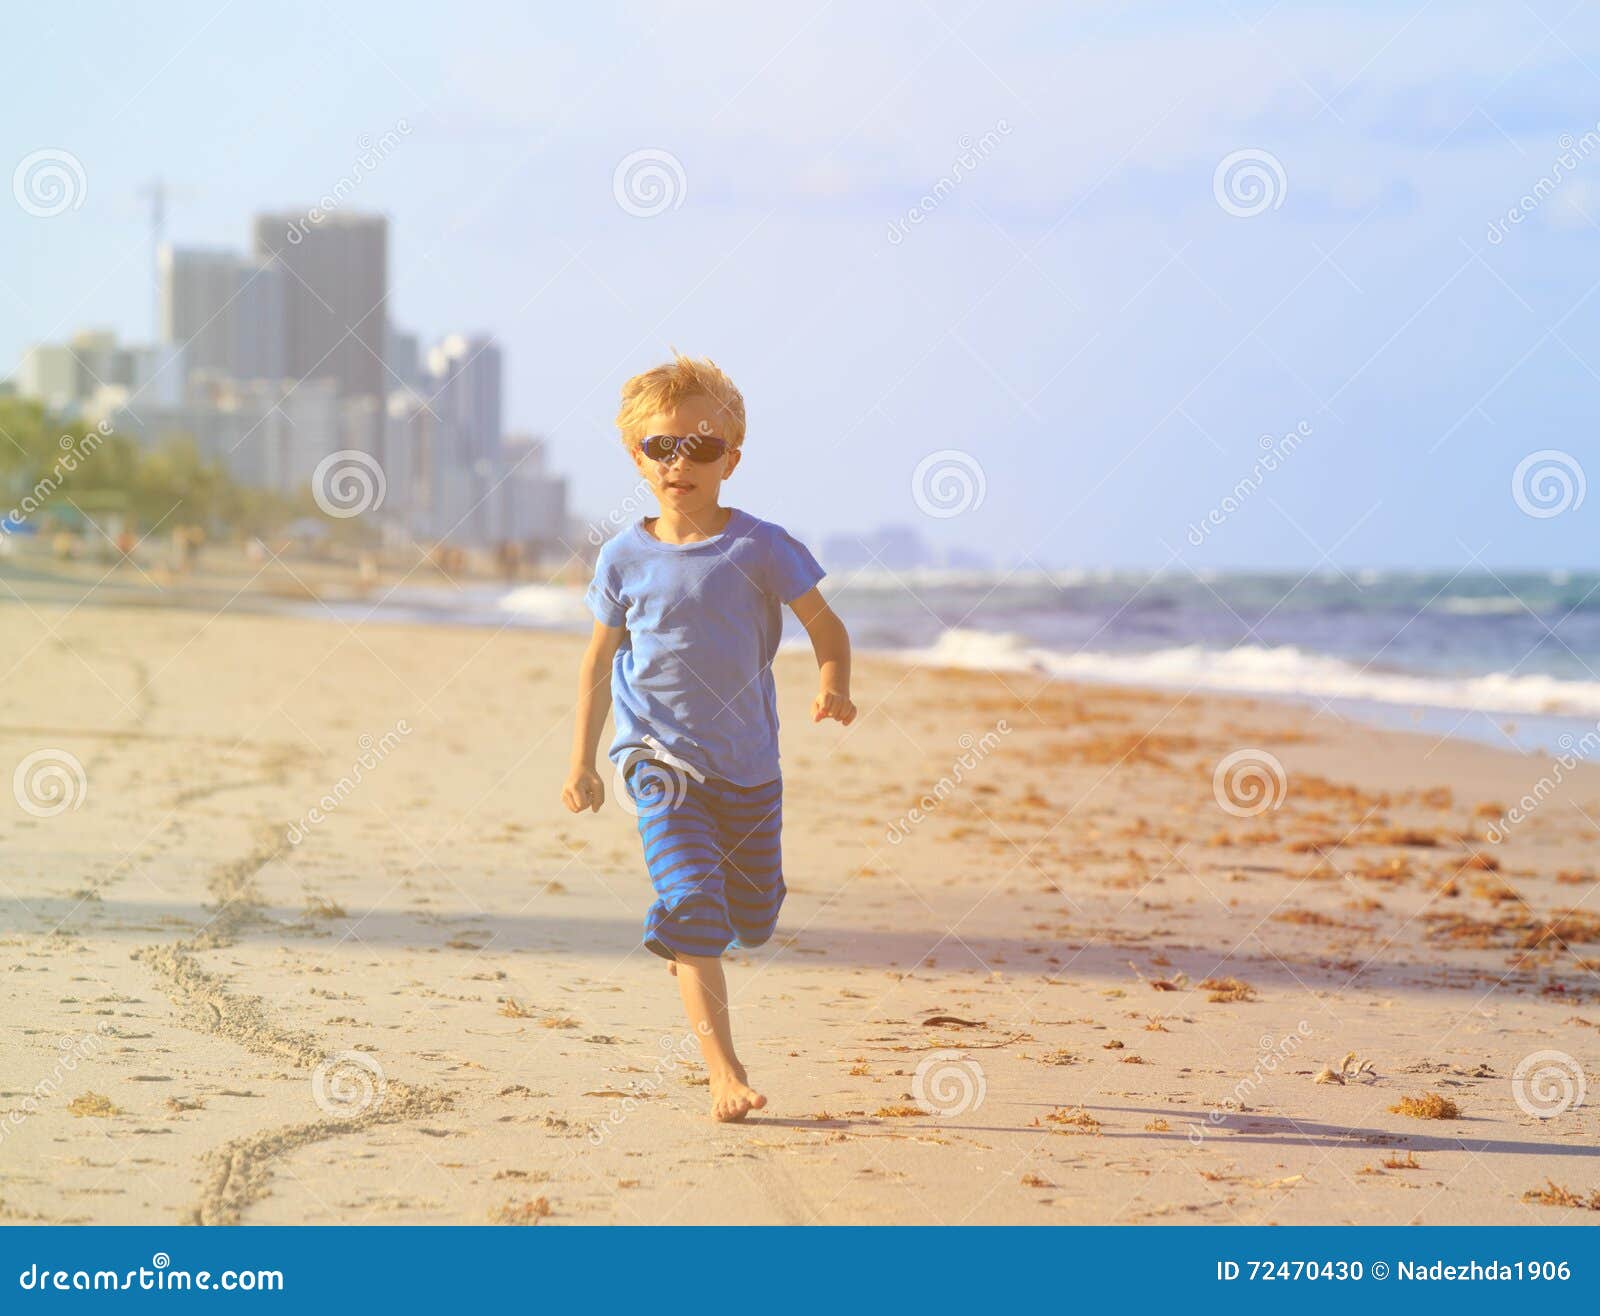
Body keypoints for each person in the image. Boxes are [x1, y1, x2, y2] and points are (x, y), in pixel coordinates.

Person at [561, 353, 855, 1122]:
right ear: (637, 456)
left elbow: (825, 625)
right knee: (695, 906)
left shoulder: (760, 546)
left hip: (749, 769)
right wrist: (583, 762)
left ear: (732, 457)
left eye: (701, 446)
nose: (679, 461)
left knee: (750, 921)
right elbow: (599, 659)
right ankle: (723, 1069)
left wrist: (834, 683)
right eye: (661, 446)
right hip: (657, 762)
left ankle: (705, 933)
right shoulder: (622, 557)